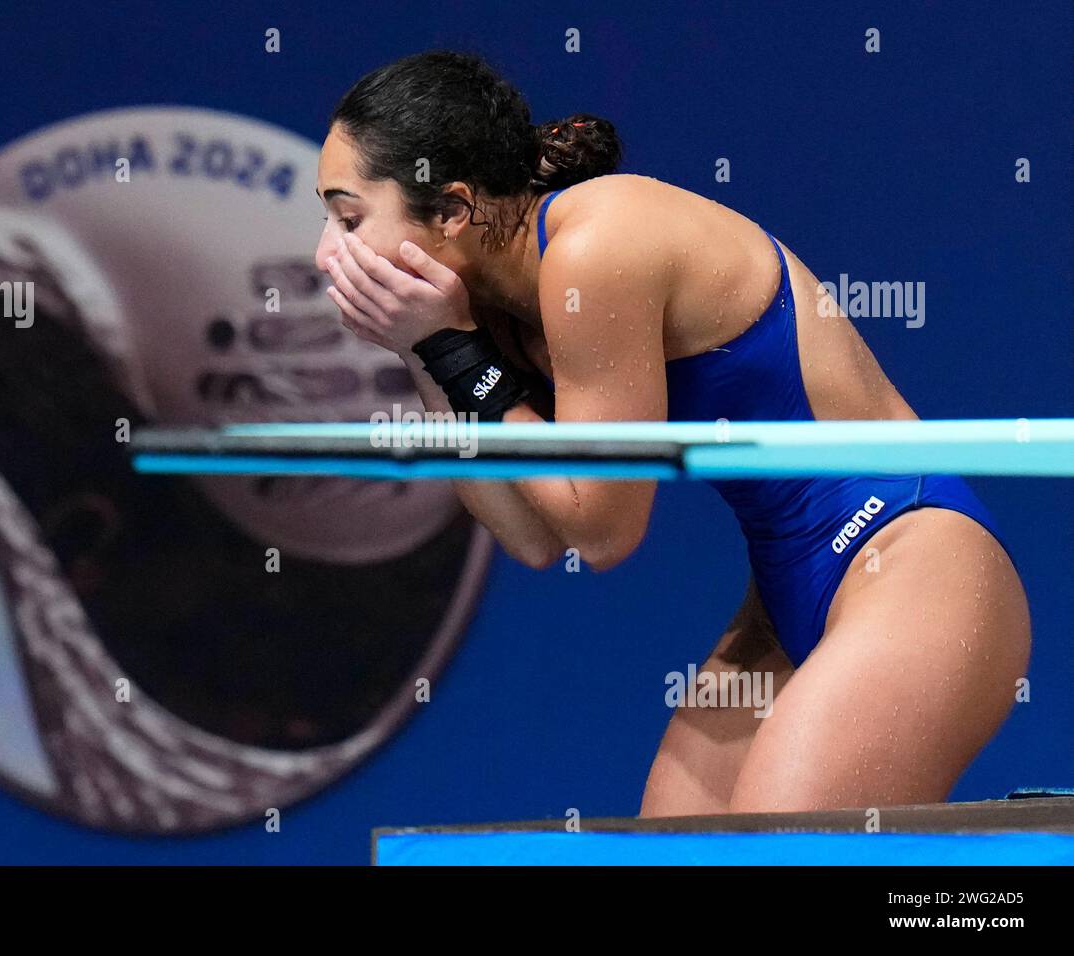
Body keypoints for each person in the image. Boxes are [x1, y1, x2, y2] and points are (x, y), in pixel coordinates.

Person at [315, 50, 1031, 815]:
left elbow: (603, 528)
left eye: (349, 218)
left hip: (915, 562)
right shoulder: (490, 312)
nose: (328, 254)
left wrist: (459, 355)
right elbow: (532, 537)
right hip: (784, 604)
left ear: (453, 210)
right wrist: (433, 351)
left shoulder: (599, 243)